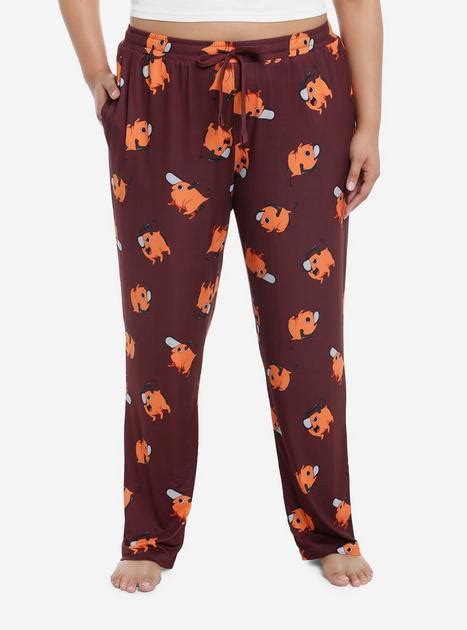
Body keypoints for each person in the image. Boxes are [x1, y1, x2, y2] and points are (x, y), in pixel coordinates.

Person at [59, 0, 382, 592]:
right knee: (159, 332)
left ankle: (329, 528)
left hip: (301, 81)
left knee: (307, 334)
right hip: (162, 82)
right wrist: (94, 69)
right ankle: (148, 533)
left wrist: (371, 123)